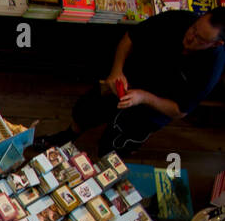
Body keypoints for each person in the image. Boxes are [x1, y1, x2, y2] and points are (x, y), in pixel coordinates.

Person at [37, 8, 225, 157]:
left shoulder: (211, 68)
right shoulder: (178, 19)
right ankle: (67, 137)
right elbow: (130, 38)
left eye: (200, 38)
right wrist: (116, 70)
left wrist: (144, 97)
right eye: (194, 29)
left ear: (216, 44)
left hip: (151, 109)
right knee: (86, 110)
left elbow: (179, 110)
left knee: (114, 145)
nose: (190, 36)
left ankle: (101, 170)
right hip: (125, 81)